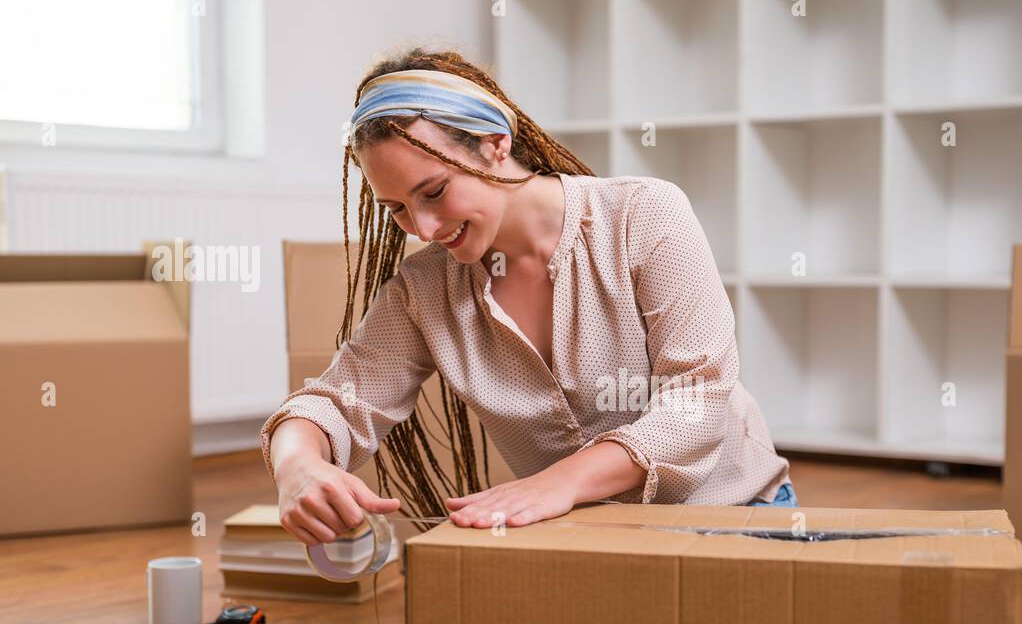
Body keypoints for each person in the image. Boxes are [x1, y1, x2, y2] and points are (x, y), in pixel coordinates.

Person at [261, 47, 795, 548]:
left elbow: (696, 399)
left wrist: (558, 483)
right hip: (586, 542)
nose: (422, 226)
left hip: (736, 517)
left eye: (435, 191)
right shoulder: (425, 290)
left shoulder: (643, 215)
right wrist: (297, 464)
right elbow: (336, 401)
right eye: (398, 208)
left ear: (497, 144)